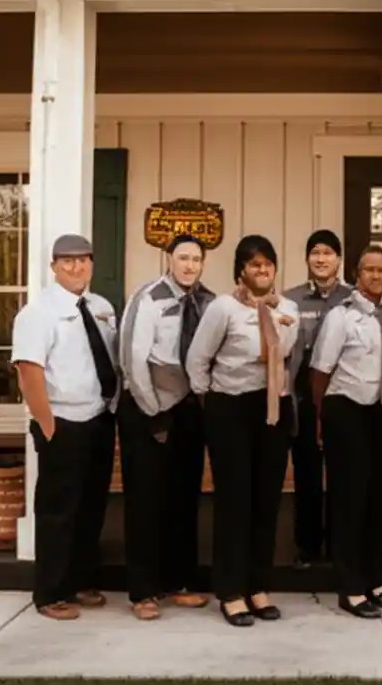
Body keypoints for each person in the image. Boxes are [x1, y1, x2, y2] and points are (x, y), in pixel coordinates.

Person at [186, 234, 300, 627]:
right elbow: (197, 361)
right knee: (235, 502)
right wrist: (213, 403)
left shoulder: (289, 309)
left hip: (272, 408)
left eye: (267, 263)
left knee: (266, 501)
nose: (262, 270)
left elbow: (287, 358)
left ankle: (258, 586)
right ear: (241, 270)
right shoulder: (223, 308)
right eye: (254, 264)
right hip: (230, 407)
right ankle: (231, 591)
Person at [12, 234, 119, 621]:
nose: (76, 267)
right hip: (62, 422)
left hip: (99, 418)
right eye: (67, 261)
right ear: (54, 266)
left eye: (83, 260)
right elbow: (29, 371)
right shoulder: (37, 313)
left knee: (91, 507)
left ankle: (80, 580)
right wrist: (47, 424)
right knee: (58, 511)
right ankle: (51, 592)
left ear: (92, 263)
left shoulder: (102, 307)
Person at [309, 244, 382, 619]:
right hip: (346, 409)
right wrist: (322, 418)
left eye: (381, 271)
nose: (374, 276)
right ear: (357, 274)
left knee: (378, 500)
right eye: (367, 270)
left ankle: (375, 579)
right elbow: (320, 371)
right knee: (350, 501)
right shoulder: (342, 316)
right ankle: (350, 586)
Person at [115, 234, 215, 620]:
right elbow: (133, 358)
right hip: (148, 404)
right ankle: (144, 591)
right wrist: (151, 410)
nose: (189, 265)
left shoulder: (207, 300)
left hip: (188, 408)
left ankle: (178, 582)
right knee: (146, 500)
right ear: (169, 259)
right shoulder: (150, 298)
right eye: (183, 258)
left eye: (196, 259)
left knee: (183, 499)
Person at [283, 229, 353, 569]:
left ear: (339, 259)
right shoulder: (290, 299)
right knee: (307, 473)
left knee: (342, 473)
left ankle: (342, 544)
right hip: (304, 397)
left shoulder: (355, 298)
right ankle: (307, 545)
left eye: (328, 252)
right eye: (315, 253)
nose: (321, 259)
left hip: (344, 397)